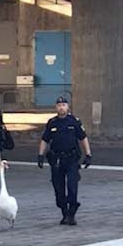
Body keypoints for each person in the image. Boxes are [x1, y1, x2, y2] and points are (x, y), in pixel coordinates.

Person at [36, 95, 92, 226]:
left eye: (64, 105)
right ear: (56, 107)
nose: (61, 107)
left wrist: (88, 154)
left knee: (72, 187)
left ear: (67, 107)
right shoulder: (52, 123)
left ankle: (71, 214)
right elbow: (45, 140)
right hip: (57, 160)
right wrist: (40, 155)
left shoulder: (74, 121)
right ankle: (64, 212)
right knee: (58, 189)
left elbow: (83, 138)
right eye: (59, 105)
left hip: (71, 159)